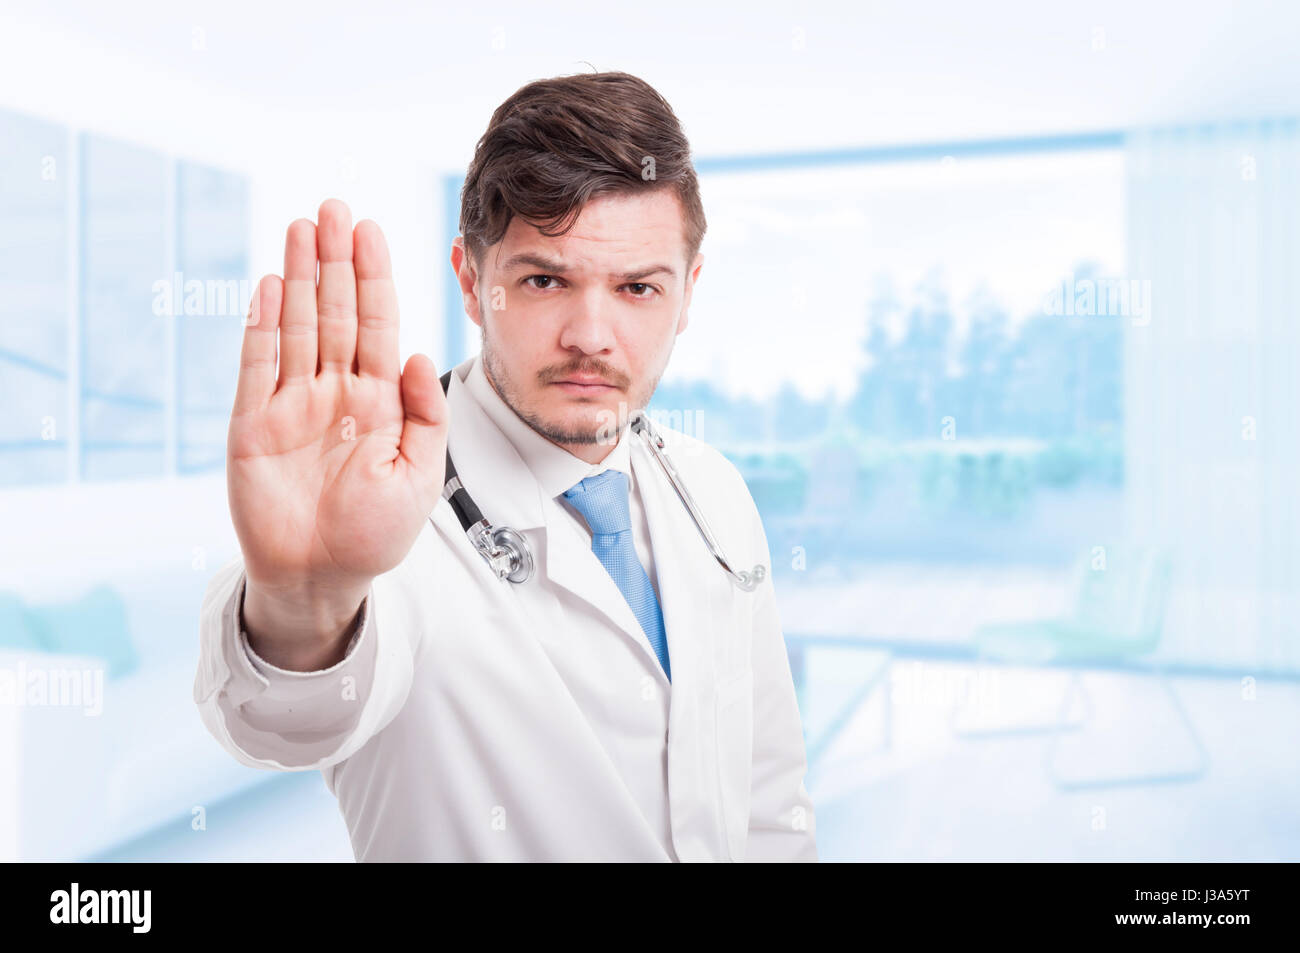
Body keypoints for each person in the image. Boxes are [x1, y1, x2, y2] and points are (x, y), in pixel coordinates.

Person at [194, 70, 817, 862]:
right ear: (471, 279)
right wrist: (303, 597)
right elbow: (279, 719)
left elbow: (771, 804)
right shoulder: (384, 510)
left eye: (636, 288)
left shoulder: (715, 492)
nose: (591, 335)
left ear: (687, 292)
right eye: (545, 279)